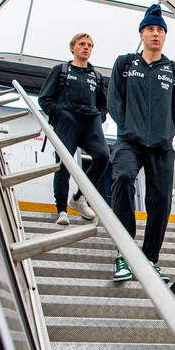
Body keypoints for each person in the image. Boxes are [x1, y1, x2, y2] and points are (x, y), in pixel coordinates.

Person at [108, 4, 175, 282]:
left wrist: (168, 133)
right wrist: (127, 128)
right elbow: (114, 100)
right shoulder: (126, 63)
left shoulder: (174, 70)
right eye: (150, 29)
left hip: (162, 146)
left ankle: (150, 258)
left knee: (161, 200)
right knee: (124, 178)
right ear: (142, 33)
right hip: (129, 141)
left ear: (165, 37)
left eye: (160, 30)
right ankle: (125, 253)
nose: (155, 34)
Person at [37, 33, 110, 225]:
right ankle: (61, 209)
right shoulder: (61, 70)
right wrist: (60, 114)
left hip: (90, 122)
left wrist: (100, 116)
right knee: (64, 162)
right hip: (67, 121)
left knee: (103, 156)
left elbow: (104, 104)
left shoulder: (96, 76)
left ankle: (79, 198)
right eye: (82, 44)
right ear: (73, 48)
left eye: (89, 45)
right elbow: (44, 99)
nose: (86, 47)